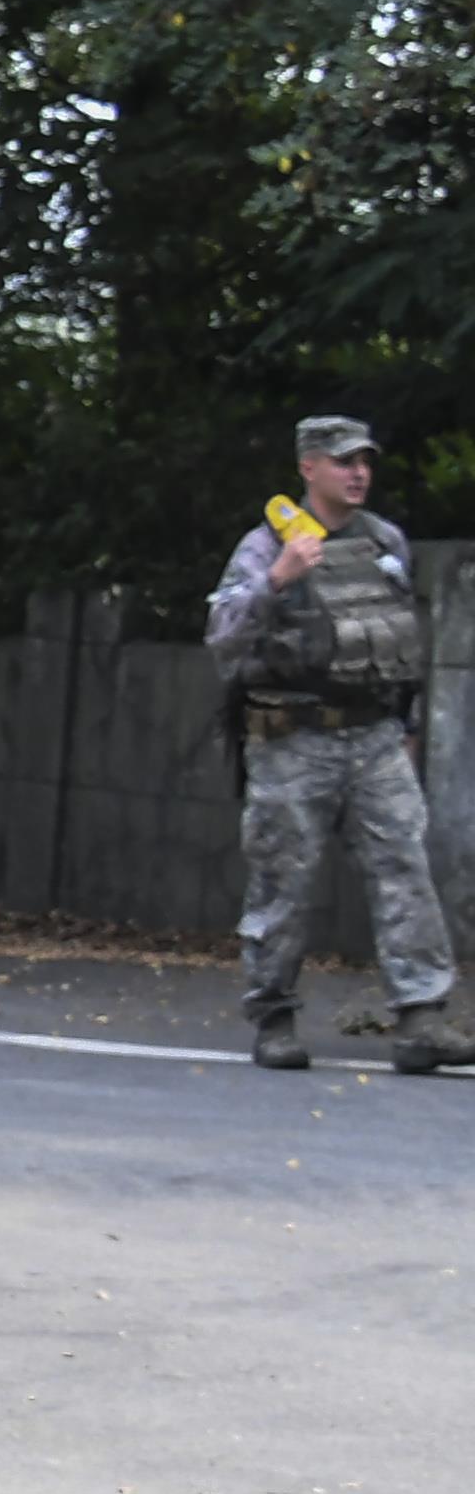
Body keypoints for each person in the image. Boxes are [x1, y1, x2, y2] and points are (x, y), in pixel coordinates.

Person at [203, 417, 456, 1075]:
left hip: (374, 738)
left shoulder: (384, 542)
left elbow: (401, 642)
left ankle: (422, 1018)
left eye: (365, 461)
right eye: (343, 461)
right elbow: (222, 636)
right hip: (293, 740)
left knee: (406, 869)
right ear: (308, 468)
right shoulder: (265, 546)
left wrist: (408, 727)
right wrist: (279, 579)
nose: (358, 472)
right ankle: (275, 1018)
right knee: (284, 884)